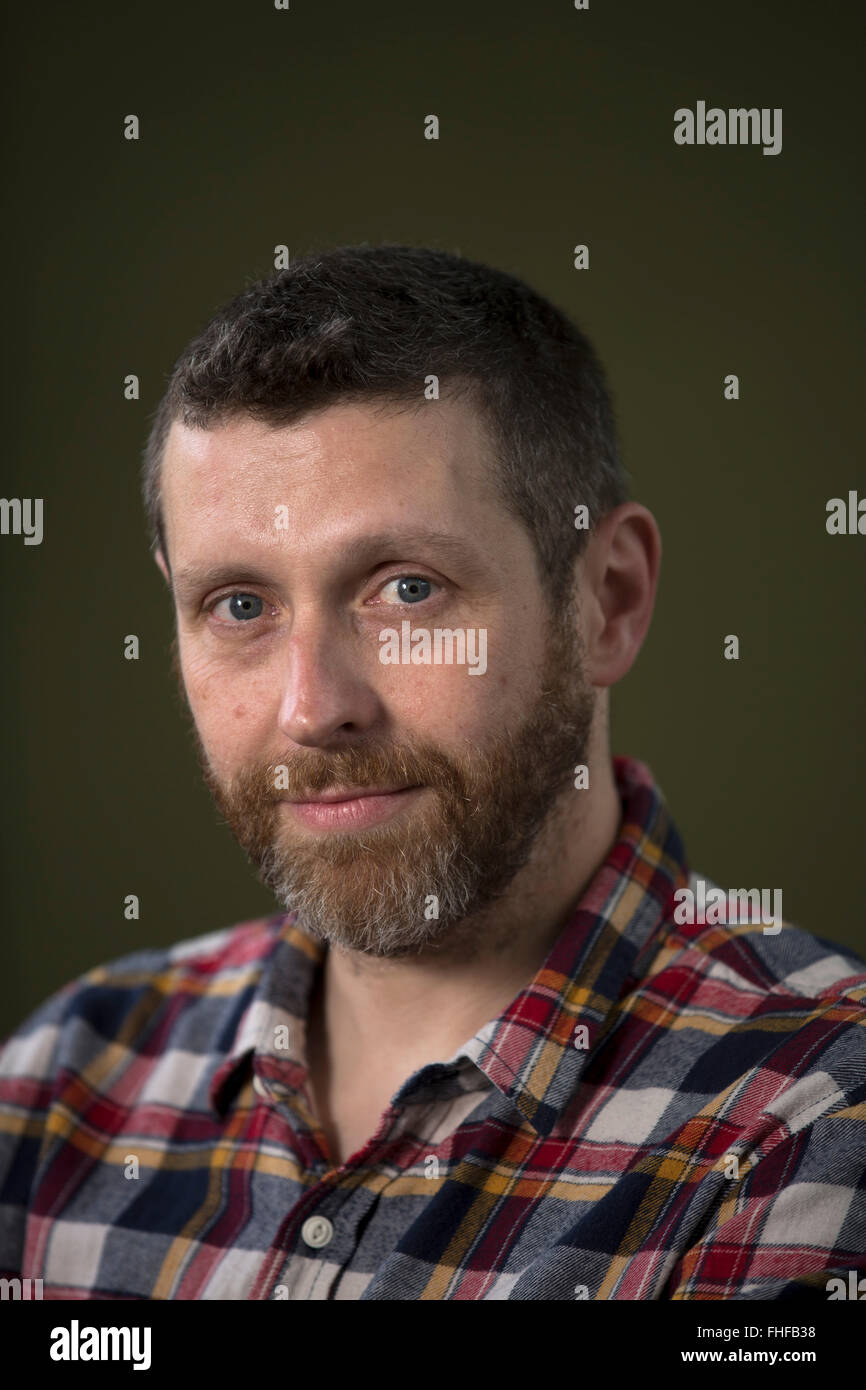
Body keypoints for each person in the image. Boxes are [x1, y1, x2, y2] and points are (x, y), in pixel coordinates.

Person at [1, 244, 864, 1301]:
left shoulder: (816, 1117)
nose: (314, 709)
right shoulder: (54, 1095)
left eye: (406, 590)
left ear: (608, 600)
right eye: (239, 606)